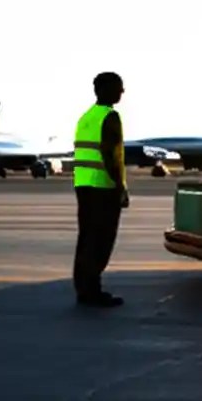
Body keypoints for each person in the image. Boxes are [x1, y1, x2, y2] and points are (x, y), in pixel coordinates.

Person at [72, 72, 128, 308]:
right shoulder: (110, 116)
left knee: (86, 237)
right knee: (101, 240)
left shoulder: (87, 117)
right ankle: (92, 290)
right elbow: (110, 154)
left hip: (83, 183)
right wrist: (120, 187)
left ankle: (84, 287)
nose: (122, 92)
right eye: (118, 87)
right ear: (103, 89)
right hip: (102, 186)